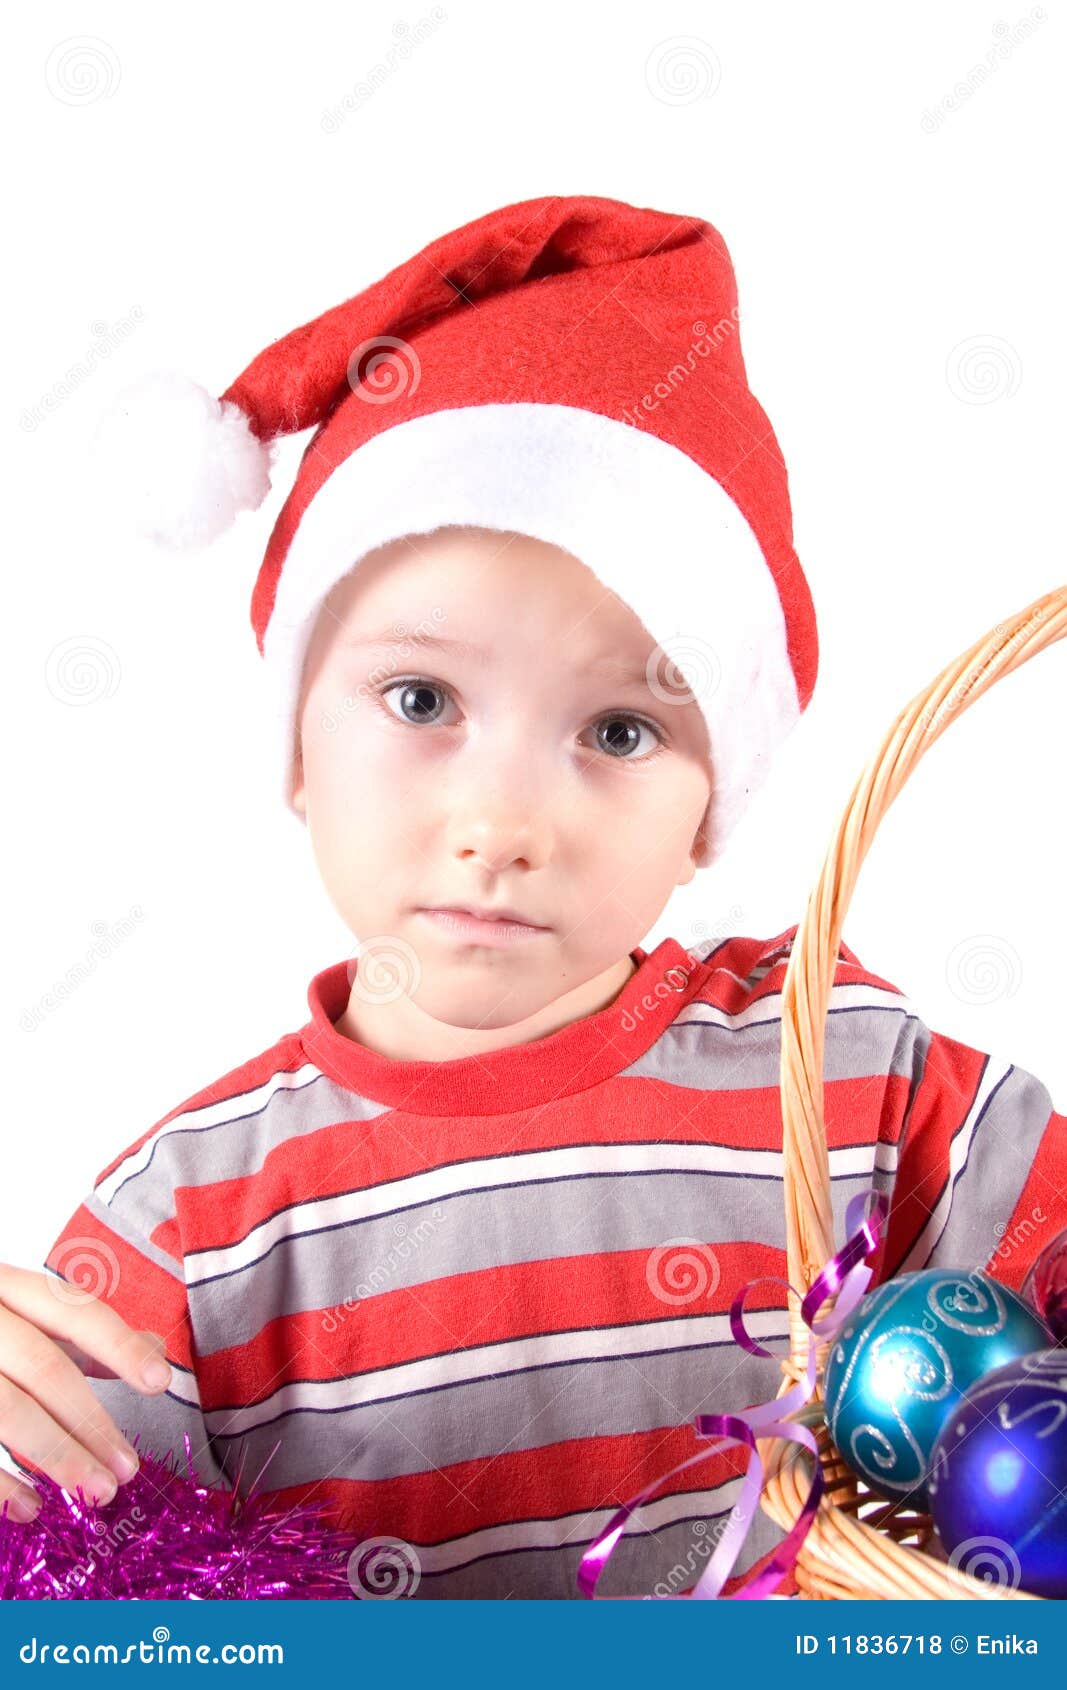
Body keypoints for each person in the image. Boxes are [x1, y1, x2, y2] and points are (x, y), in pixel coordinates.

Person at [1, 195, 1063, 1600]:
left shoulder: (858, 1080)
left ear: (709, 804)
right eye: (421, 696)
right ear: (296, 750)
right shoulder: (187, 1226)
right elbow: (70, 1562)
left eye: (618, 731)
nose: (503, 823)